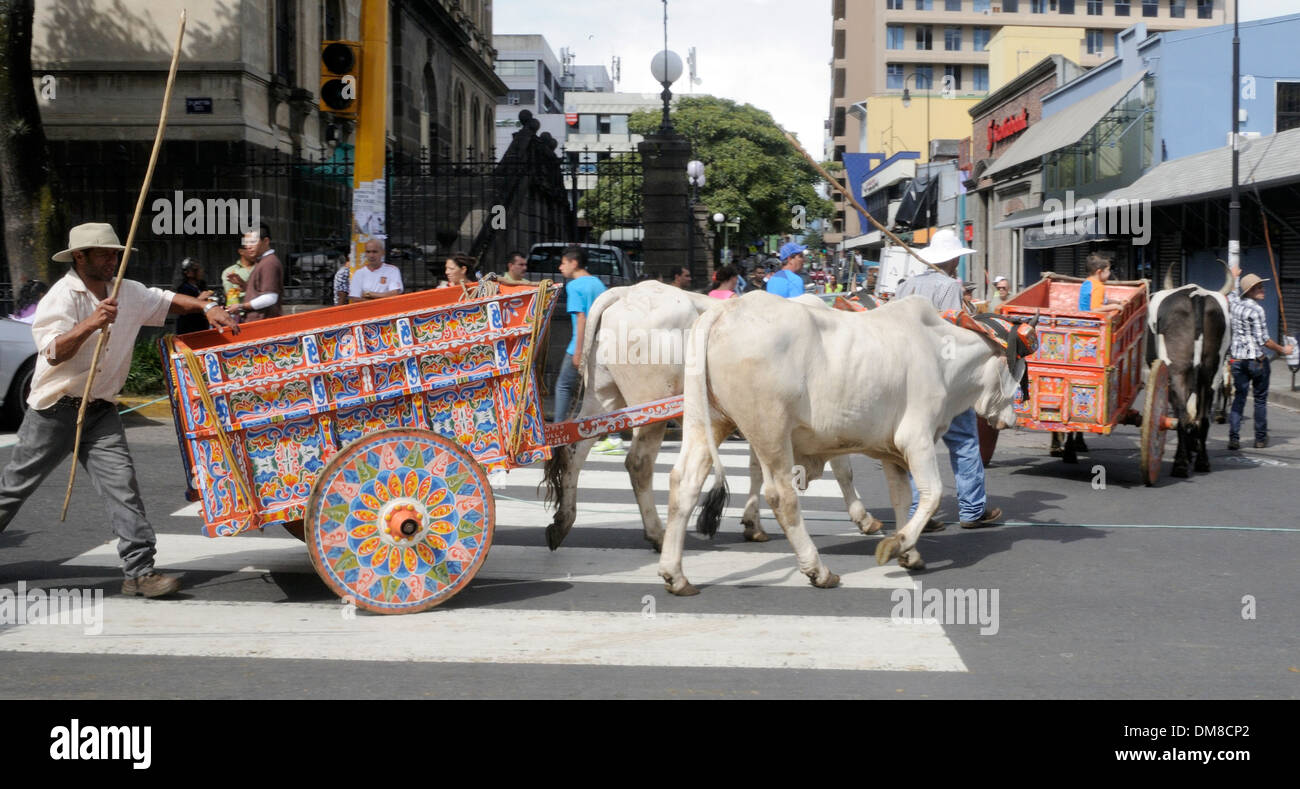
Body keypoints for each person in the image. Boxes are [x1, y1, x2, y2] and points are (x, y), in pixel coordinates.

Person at [0, 222, 238, 598]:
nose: (114, 260)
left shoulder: (127, 291)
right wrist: (91, 323)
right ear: (81, 258)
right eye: (105, 254)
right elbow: (52, 351)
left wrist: (206, 306)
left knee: (122, 487)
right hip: (54, 410)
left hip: (100, 409)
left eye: (116, 254)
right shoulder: (62, 297)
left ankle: (140, 572)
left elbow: (166, 300)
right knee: (12, 490)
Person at [895, 227, 1002, 532]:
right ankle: (971, 509)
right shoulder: (949, 286)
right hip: (941, 378)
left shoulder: (905, 286)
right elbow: (949, 335)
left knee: (917, 443)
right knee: (965, 441)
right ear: (953, 259)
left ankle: (920, 510)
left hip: (906, 375)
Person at [1226, 268, 1296, 450]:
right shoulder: (1257, 310)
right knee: (1259, 400)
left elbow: (1232, 294)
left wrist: (1235, 277)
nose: (1263, 290)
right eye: (1258, 287)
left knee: (1239, 398)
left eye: (1262, 286)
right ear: (1249, 291)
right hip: (1256, 361)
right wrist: (1283, 350)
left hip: (1237, 361)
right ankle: (1260, 438)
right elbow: (1264, 340)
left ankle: (1234, 438)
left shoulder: (1234, 305)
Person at [553, 246, 605, 423]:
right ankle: (611, 434)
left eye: (563, 263)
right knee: (599, 390)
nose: (560, 267)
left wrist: (578, 351)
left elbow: (581, 318)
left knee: (563, 386)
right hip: (601, 343)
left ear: (574, 263)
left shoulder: (574, 286)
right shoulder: (598, 283)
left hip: (579, 343)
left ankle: (559, 428)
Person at [236, 224, 284, 322]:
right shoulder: (262, 262)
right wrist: (244, 285)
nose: (248, 246)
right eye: (246, 243)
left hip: (264, 323)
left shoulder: (269, 263)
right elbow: (260, 292)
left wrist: (241, 306)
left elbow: (270, 298)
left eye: (252, 242)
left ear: (266, 241)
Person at [174, 258, 214, 334]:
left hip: (202, 324)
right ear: (188, 273)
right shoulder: (183, 288)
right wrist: (199, 299)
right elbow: (183, 307)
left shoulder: (201, 285)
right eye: (197, 270)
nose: (201, 271)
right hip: (188, 327)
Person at [221, 244, 254, 316]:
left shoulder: (262, 268)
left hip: (261, 313)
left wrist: (243, 286)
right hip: (239, 315)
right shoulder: (229, 271)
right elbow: (230, 294)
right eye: (250, 248)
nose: (253, 250)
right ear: (241, 251)